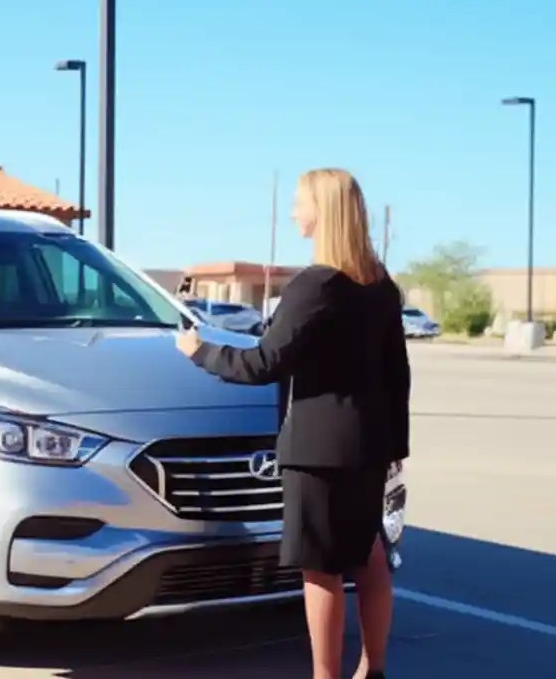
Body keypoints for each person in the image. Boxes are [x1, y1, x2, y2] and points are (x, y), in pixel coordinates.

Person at [175, 168, 409, 679]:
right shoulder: (380, 286)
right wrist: (396, 446)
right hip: (369, 447)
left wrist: (199, 351)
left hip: (319, 452)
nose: (293, 212)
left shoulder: (315, 285)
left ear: (323, 212)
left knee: (321, 569)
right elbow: (399, 374)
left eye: (300, 204)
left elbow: (262, 362)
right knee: (369, 558)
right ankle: (374, 669)